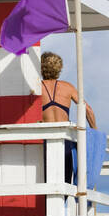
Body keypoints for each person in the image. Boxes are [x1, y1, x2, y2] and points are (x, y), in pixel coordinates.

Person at [40, 51, 96, 185]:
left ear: (41, 67)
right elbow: (87, 109)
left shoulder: (37, 88)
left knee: (46, 181)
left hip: (45, 140)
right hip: (65, 141)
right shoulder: (67, 87)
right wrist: (94, 131)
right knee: (65, 182)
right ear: (59, 68)